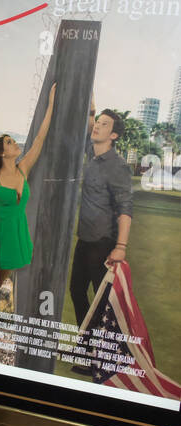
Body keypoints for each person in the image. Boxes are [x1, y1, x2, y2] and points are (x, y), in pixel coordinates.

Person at [0, 81, 57, 314]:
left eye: (12, 140)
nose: (14, 143)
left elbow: (39, 140)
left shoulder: (23, 169)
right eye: (9, 142)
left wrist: (51, 105)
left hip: (16, 236)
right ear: (2, 152)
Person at [69, 106, 132, 327]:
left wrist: (121, 246)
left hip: (103, 243)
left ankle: (101, 354)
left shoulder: (118, 166)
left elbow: (126, 209)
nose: (97, 125)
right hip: (84, 240)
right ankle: (85, 347)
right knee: (76, 292)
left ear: (113, 136)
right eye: (98, 122)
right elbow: (90, 115)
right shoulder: (91, 152)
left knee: (101, 301)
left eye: (105, 124)